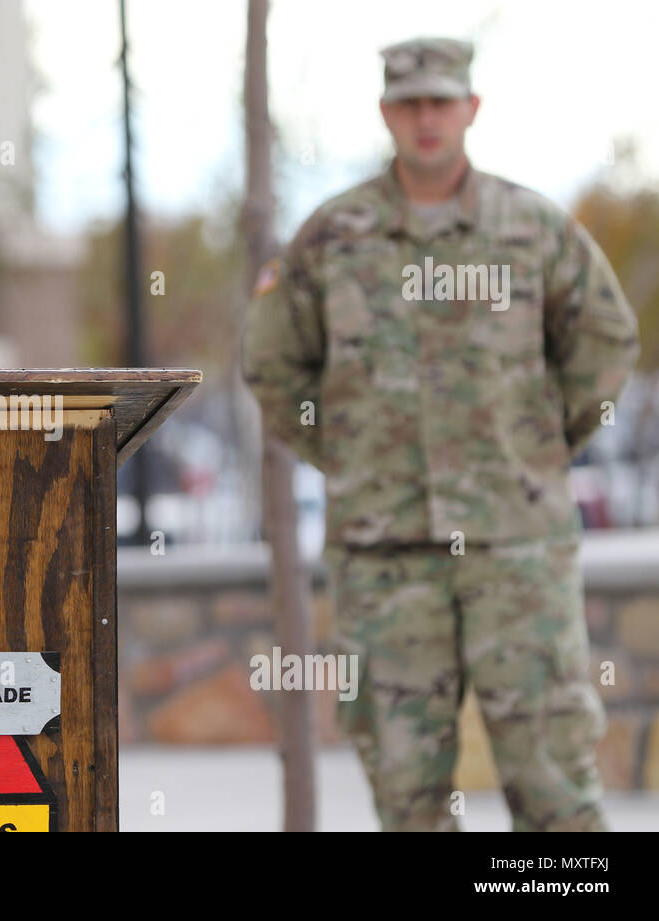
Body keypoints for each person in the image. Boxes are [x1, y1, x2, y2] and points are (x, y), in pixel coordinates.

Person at [243, 37, 639, 831]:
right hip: (386, 562)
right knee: (407, 797)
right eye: (410, 103)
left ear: (471, 108)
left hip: (515, 550)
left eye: (441, 101)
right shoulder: (333, 235)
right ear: (388, 112)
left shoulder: (533, 229)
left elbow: (606, 341)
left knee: (555, 786)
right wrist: (353, 454)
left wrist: (536, 448)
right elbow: (272, 364)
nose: (427, 118)